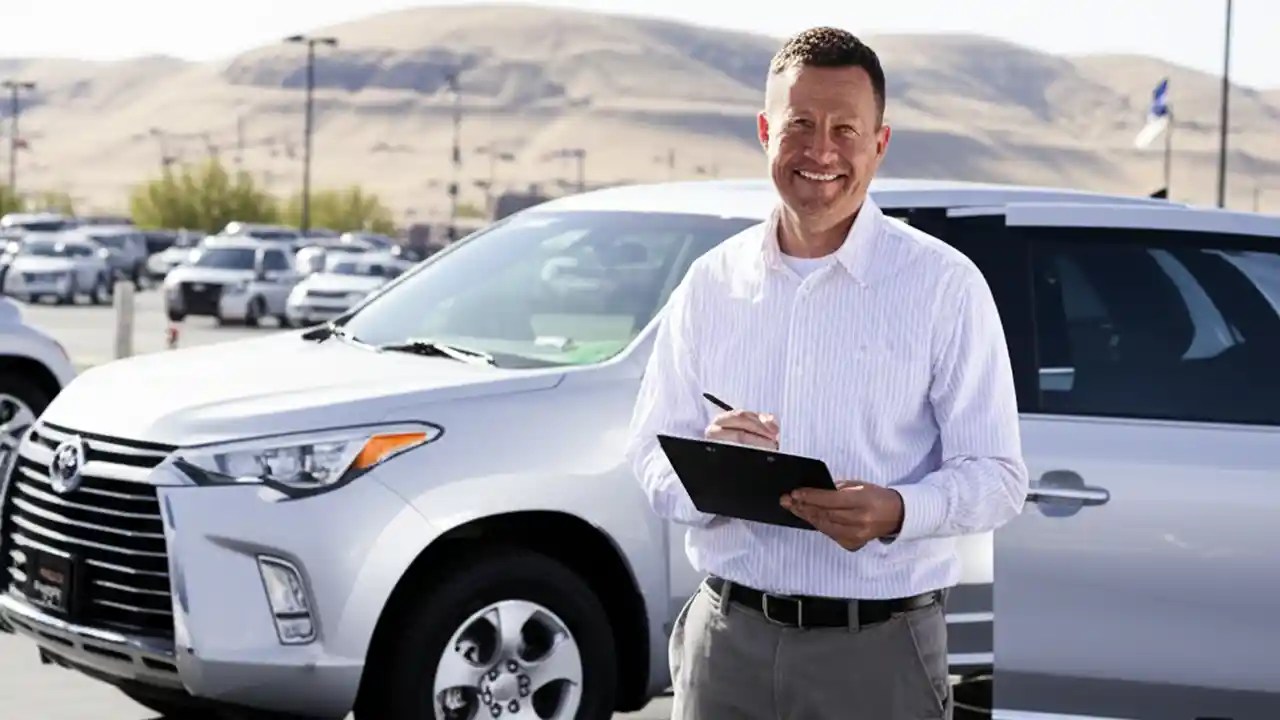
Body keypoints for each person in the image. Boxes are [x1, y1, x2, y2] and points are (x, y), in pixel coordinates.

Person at [625, 26, 1029, 720]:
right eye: (800, 125)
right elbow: (649, 456)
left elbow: (999, 477)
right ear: (764, 130)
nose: (820, 151)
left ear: (880, 143)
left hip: (878, 654)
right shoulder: (709, 284)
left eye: (845, 129)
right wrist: (713, 473)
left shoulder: (943, 286)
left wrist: (898, 511)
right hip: (727, 647)